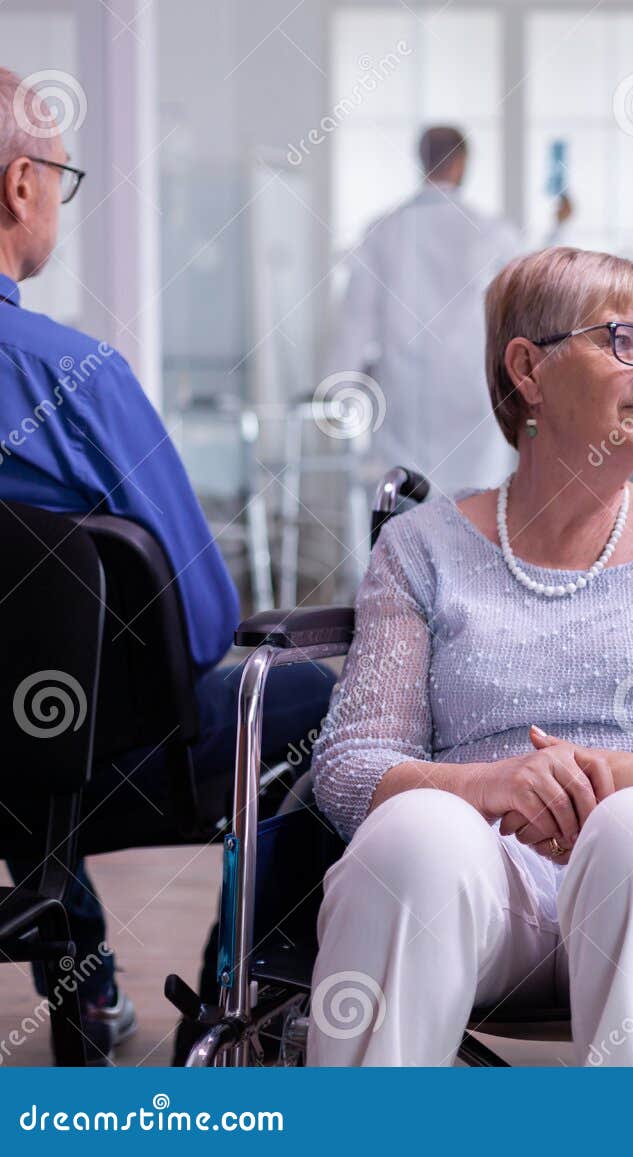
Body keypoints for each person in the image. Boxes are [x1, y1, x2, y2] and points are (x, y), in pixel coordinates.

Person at [307, 247, 633, 1066]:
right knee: (414, 835)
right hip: (490, 886)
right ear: (527, 367)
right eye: (628, 342)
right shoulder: (422, 550)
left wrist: (607, 778)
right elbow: (352, 767)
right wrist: (488, 785)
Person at [0, 67, 333, 1064]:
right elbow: (199, 618)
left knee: (27, 684)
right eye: (65, 173)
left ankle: (87, 984)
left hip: (21, 752)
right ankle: (235, 1004)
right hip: (78, 759)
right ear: (22, 184)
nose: (61, 192)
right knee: (313, 698)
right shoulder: (66, 374)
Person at [327, 125, 523, 497]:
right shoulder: (492, 232)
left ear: (420, 159)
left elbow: (355, 320)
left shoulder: (384, 231)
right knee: (477, 508)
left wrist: (337, 389)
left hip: (406, 393)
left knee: (407, 507)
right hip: (475, 389)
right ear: (463, 163)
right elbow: (528, 303)